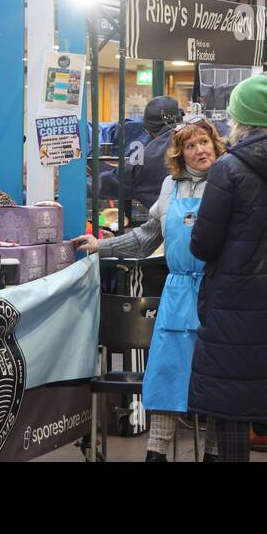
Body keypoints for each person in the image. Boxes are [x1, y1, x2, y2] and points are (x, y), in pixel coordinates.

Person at [73, 116, 225, 462]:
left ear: (216, 144)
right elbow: (145, 239)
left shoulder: (228, 181)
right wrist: (102, 246)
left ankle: (214, 454)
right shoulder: (169, 187)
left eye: (204, 142)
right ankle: (155, 454)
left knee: (216, 378)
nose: (199, 149)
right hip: (176, 294)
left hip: (216, 294)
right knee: (167, 375)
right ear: (180, 153)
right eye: (190, 145)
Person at [189, 76, 267, 462]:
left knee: (231, 407)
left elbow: (204, 243)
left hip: (233, 303)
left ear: (239, 119)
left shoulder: (228, 169)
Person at [100, 96, 183, 212]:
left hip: (167, 221)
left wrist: (81, 182)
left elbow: (108, 184)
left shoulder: (144, 157)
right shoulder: (199, 138)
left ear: (148, 131)